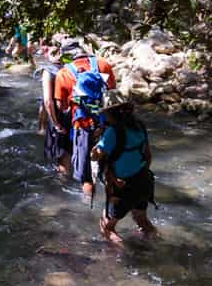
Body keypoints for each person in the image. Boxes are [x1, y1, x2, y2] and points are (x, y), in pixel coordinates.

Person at [42, 38, 116, 200]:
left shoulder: (64, 73)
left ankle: (86, 207)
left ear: (67, 55)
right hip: (105, 123)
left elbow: (61, 106)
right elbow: (112, 92)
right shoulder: (103, 64)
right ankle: (111, 203)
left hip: (81, 125)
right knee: (106, 166)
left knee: (86, 175)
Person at [91, 89, 157, 246]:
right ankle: (158, 248)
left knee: (107, 228)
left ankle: (127, 257)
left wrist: (95, 143)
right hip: (144, 180)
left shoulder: (112, 132)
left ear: (110, 113)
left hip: (123, 186)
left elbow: (95, 156)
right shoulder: (140, 126)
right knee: (142, 221)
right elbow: (148, 156)